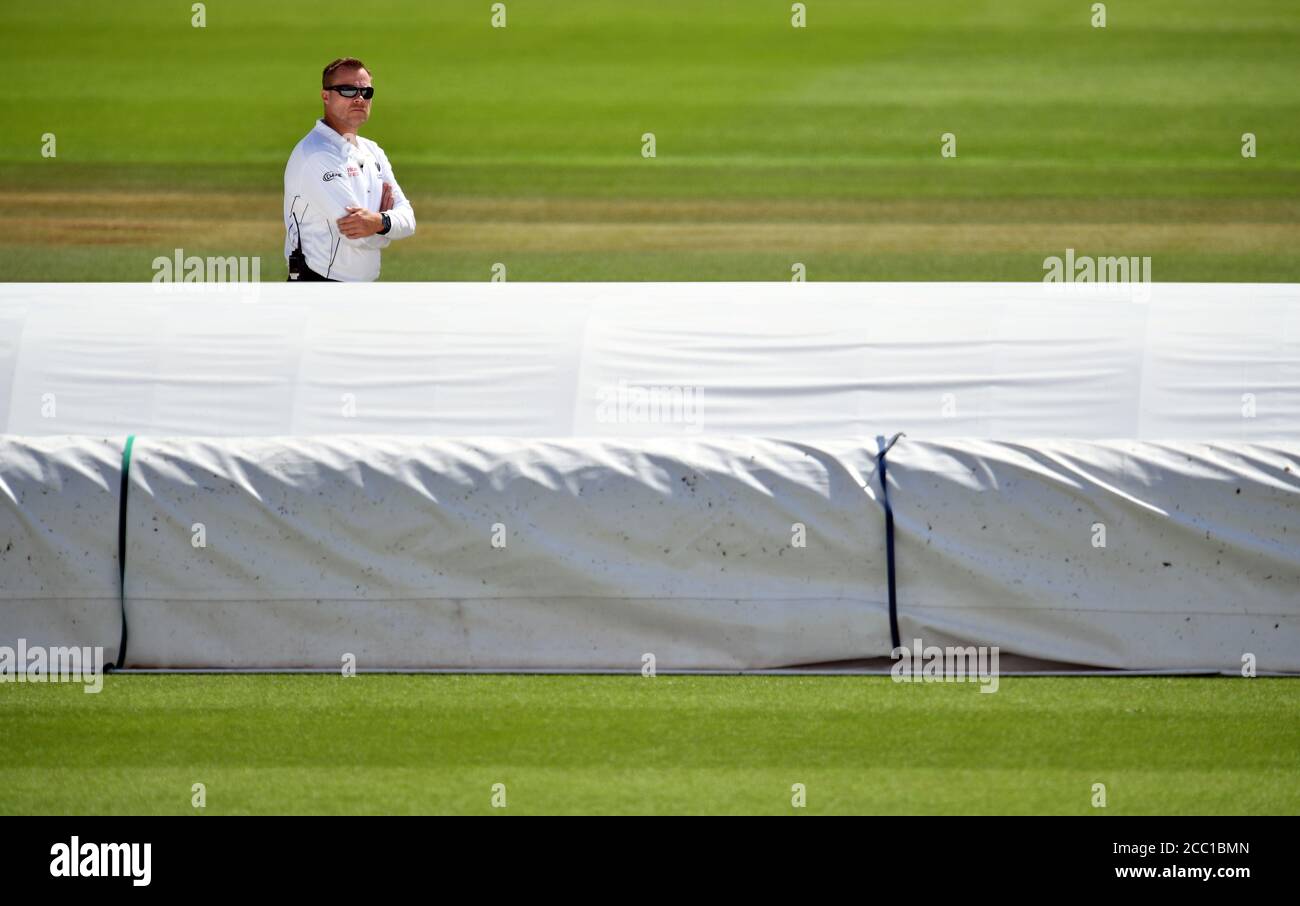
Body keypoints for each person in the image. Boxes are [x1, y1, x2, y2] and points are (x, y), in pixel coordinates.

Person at [283, 58, 416, 281]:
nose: (359, 98)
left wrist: (378, 222)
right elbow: (355, 236)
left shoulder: (372, 151)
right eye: (348, 90)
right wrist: (385, 228)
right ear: (325, 96)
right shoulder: (316, 154)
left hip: (361, 288)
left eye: (366, 91)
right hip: (317, 285)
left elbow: (409, 220)